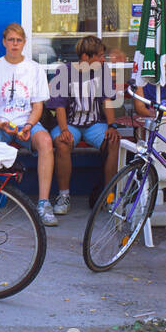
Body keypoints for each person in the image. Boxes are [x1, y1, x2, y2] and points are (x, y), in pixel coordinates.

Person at [0, 22, 56, 227]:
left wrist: (28, 125)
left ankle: (44, 203)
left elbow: (38, 106)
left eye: (18, 40)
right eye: (11, 40)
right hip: (0, 123)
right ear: (4, 42)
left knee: (46, 141)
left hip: (26, 123)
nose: (14, 44)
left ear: (24, 43)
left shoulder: (34, 69)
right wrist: (1, 125)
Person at [50, 34, 121, 215]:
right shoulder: (64, 71)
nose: (103, 59)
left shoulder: (102, 71)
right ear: (85, 57)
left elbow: (108, 101)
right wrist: (64, 130)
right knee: (62, 142)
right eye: (99, 56)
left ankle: (109, 196)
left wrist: (112, 126)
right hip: (70, 123)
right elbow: (59, 105)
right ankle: (64, 196)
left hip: (94, 124)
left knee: (113, 141)